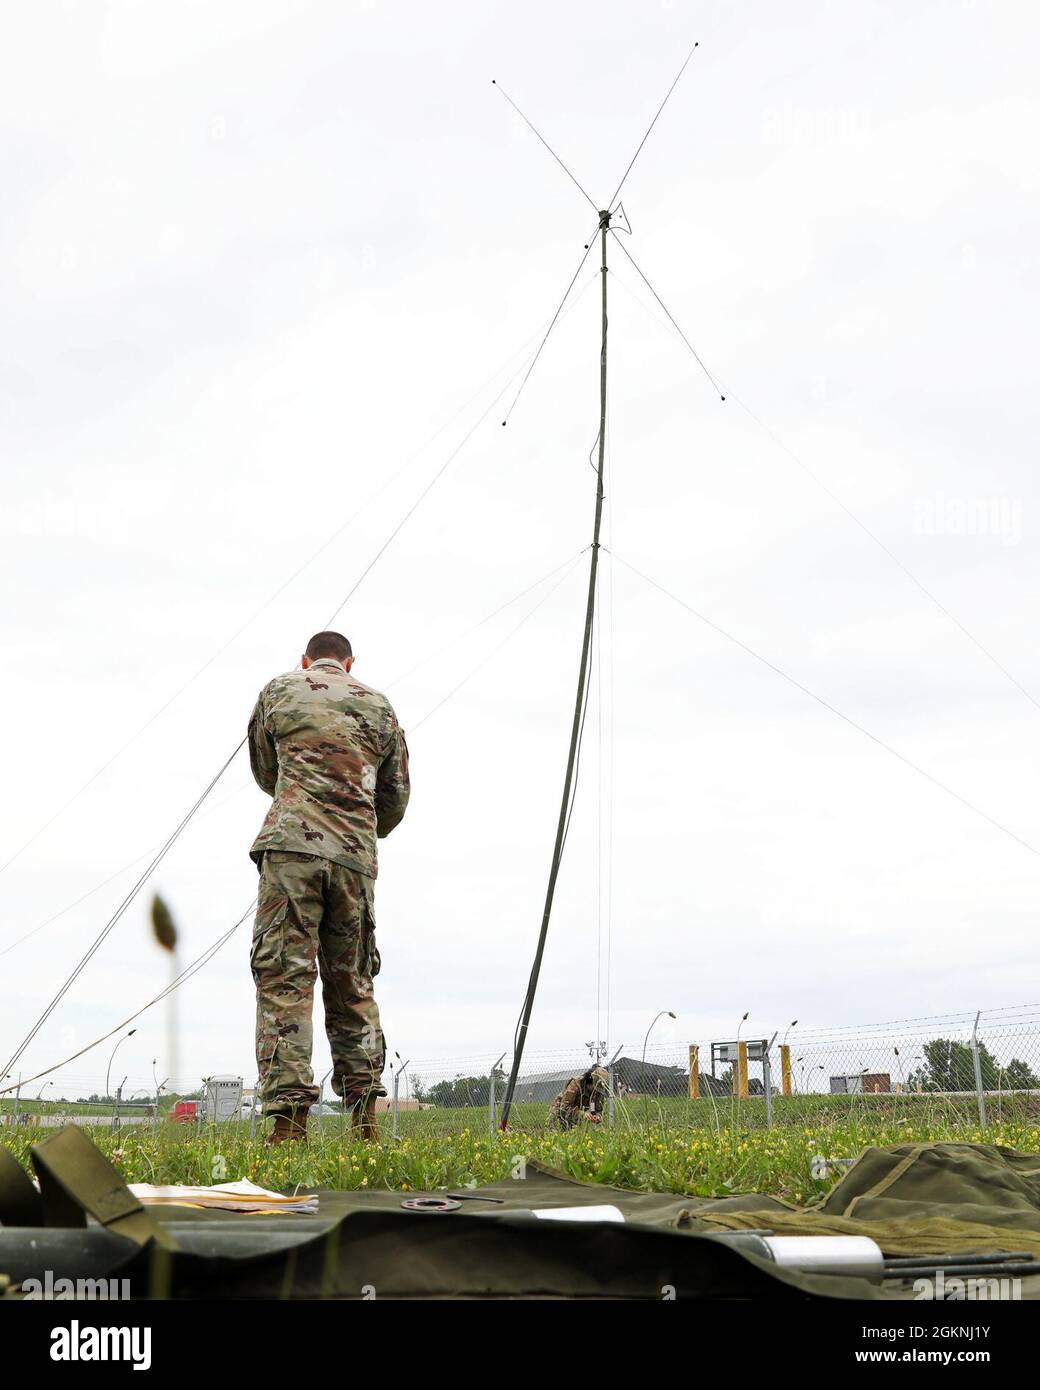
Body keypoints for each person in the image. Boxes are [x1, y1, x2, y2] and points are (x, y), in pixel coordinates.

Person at [247, 630, 409, 1144]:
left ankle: (289, 1123)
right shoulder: (380, 708)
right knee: (353, 985)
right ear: (349, 662)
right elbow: (396, 796)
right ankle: (365, 1122)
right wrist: (358, 826)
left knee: (284, 978)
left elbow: (264, 768)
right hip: (354, 862)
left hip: (290, 849)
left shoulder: (278, 690)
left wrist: (303, 801)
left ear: (306, 660)